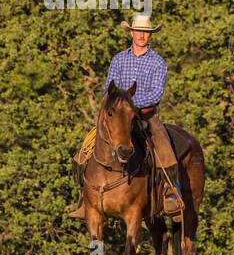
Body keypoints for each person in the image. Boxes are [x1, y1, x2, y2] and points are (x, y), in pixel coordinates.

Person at [70, 13, 184, 218]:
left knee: (162, 144)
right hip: (118, 117)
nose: (141, 35)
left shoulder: (158, 62)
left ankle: (172, 191)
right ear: (131, 32)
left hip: (146, 115)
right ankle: (84, 196)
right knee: (86, 149)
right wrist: (121, 107)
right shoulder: (119, 59)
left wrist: (130, 106)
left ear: (150, 35)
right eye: (138, 31)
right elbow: (108, 89)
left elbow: (156, 93)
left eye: (146, 32)